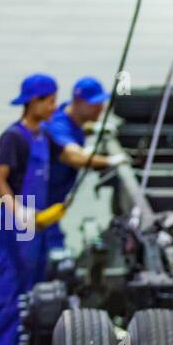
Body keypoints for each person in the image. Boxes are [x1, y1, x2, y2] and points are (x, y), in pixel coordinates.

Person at [0, 73, 58, 345]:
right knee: (10, 294)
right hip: (15, 222)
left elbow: (69, 156)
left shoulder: (44, 136)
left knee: (33, 295)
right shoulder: (13, 138)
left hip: (36, 224)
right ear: (34, 101)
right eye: (50, 100)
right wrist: (16, 209)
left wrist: (103, 160)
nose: (54, 106)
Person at [41, 76, 127, 251]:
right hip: (36, 209)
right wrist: (111, 161)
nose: (100, 109)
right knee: (41, 259)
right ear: (78, 102)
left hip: (49, 207)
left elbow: (74, 131)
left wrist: (91, 129)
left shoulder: (69, 116)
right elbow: (74, 158)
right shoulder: (58, 125)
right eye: (94, 104)